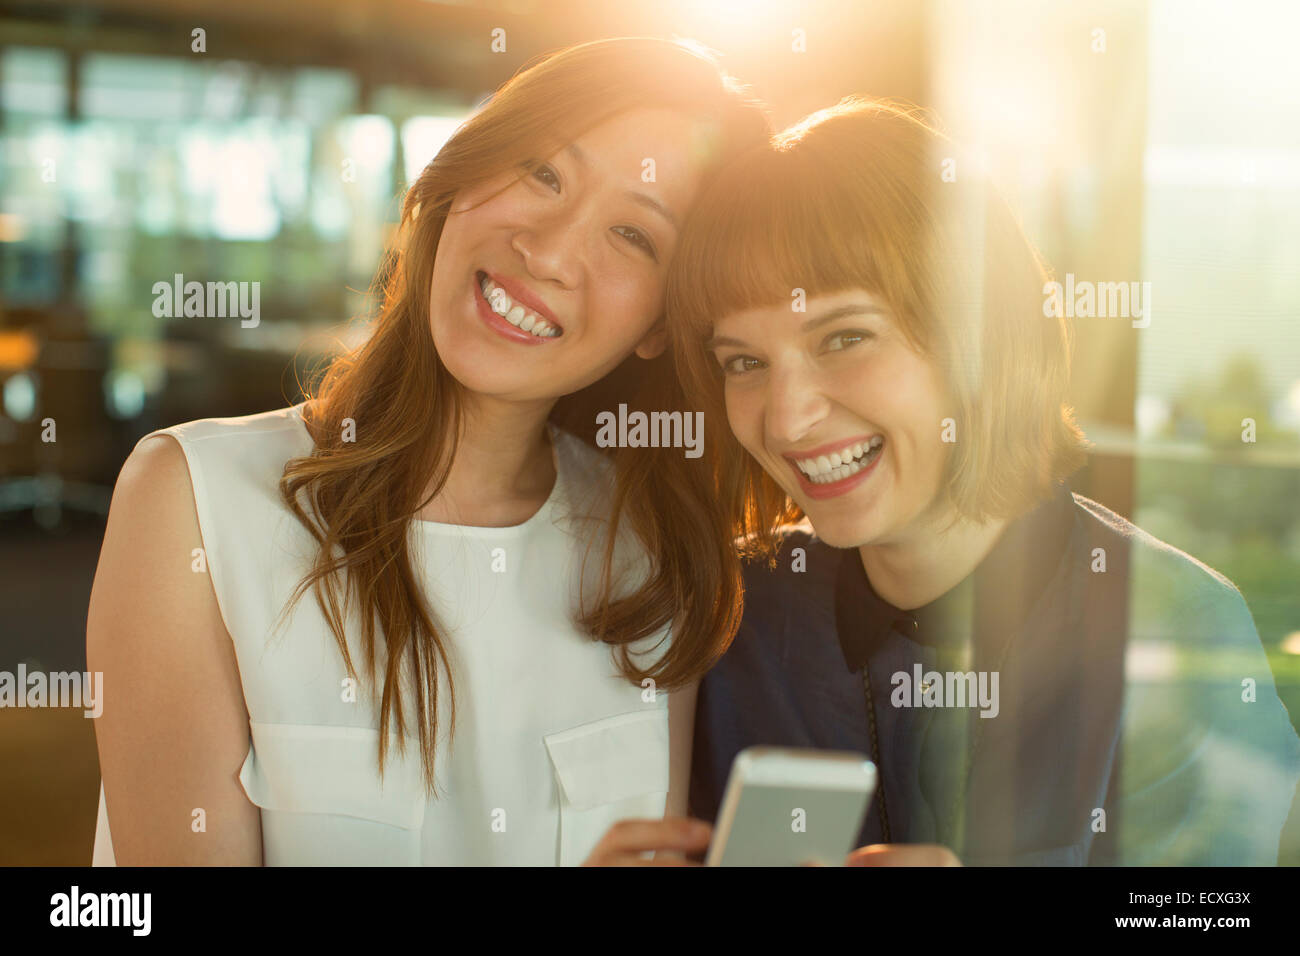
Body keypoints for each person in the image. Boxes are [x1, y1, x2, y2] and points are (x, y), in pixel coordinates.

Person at [87, 37, 768, 866]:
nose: (548, 253)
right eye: (543, 173)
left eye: (632, 234)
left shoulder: (653, 549)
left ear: (662, 323)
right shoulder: (192, 502)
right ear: (462, 174)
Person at [663, 97, 1300, 865]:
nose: (787, 420)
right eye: (744, 362)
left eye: (845, 337)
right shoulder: (733, 617)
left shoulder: (1179, 628)